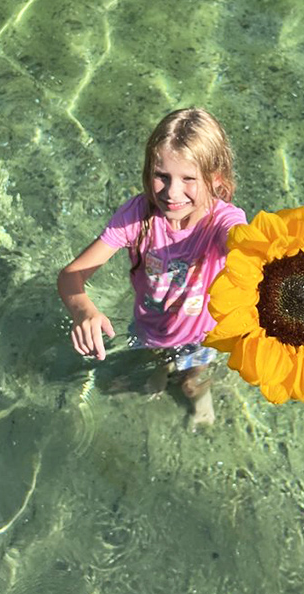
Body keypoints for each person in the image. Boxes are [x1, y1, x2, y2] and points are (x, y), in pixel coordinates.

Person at [57, 108, 247, 427]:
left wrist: (253, 251)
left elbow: (243, 242)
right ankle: (160, 374)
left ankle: (202, 405)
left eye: (188, 179)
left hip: (202, 334)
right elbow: (70, 277)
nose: (171, 193)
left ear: (215, 180)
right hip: (150, 324)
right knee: (156, 360)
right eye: (162, 176)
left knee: (192, 380)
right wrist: (83, 312)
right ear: (149, 171)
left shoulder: (222, 222)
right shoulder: (138, 216)